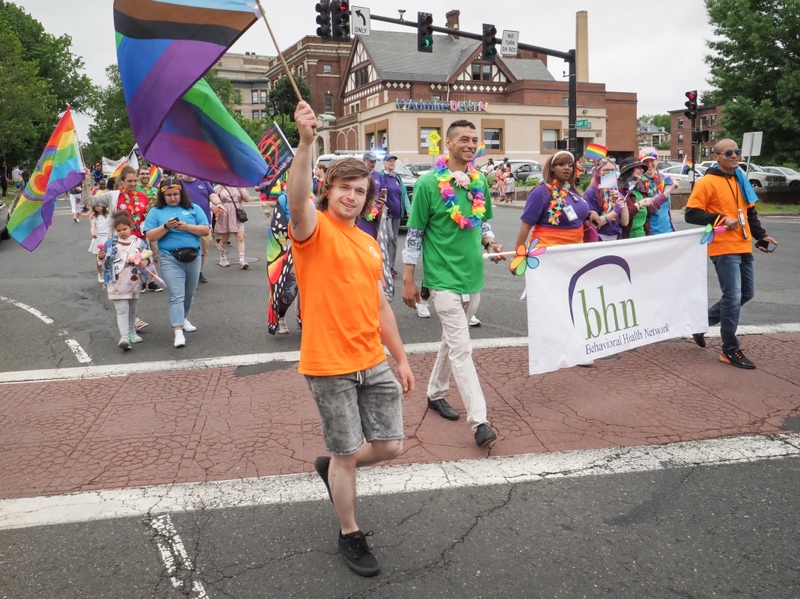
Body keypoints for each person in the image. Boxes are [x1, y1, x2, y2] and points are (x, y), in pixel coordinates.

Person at [289, 101, 414, 578]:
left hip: (372, 359)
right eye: (345, 188)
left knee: (390, 446)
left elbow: (380, 305)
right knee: (346, 454)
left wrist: (400, 358)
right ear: (329, 190)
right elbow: (297, 198)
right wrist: (305, 143)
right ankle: (349, 531)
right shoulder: (313, 230)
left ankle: (333, 468)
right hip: (328, 363)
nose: (353, 197)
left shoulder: (368, 241)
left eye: (361, 191)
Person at [402, 119, 504, 448]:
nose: (471, 144)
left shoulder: (479, 182)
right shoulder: (429, 184)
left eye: (475, 139)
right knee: (462, 348)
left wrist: (490, 243)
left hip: (473, 276)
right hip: (441, 279)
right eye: (464, 139)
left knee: (451, 339)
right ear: (448, 143)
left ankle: (435, 393)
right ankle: (480, 422)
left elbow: (482, 220)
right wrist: (408, 279)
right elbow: (415, 235)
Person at [685, 138, 778, 369]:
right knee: (733, 296)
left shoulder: (740, 178)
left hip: (744, 244)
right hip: (723, 247)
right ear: (716, 156)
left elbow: (750, 213)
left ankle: (701, 323)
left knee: (746, 293)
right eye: (728, 153)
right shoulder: (707, 182)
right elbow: (691, 214)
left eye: (737, 151)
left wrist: (761, 236)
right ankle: (730, 349)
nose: (735, 155)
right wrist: (720, 219)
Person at [143, 177, 210, 348]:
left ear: (182, 194)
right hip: (169, 258)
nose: (173, 198)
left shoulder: (194, 208)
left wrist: (187, 227)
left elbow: (205, 229)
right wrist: (166, 227)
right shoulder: (156, 212)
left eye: (176, 194)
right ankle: (178, 331)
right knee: (176, 295)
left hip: (193, 257)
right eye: (169, 195)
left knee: (189, 294)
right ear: (163, 196)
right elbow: (150, 236)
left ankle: (184, 318)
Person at [514, 151, 589, 248]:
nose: (567, 168)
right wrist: (518, 254)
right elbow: (526, 226)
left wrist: (590, 214)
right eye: (561, 164)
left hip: (574, 251)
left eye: (570, 165)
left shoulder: (571, 190)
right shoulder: (539, 193)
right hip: (548, 252)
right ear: (552, 168)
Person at [97, 212, 150, 350]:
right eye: (119, 230)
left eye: (124, 229)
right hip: (116, 283)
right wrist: (101, 257)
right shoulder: (111, 243)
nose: (122, 232)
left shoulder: (139, 242)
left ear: (131, 227)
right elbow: (103, 261)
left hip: (133, 281)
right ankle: (124, 336)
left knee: (132, 309)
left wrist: (145, 261)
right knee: (122, 310)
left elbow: (147, 257)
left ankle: (132, 332)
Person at [617, 157, 679, 239]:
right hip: (628, 239)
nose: (642, 170)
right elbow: (622, 218)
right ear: (629, 170)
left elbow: (652, 207)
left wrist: (670, 189)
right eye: (639, 168)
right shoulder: (619, 191)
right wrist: (640, 204)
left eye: (642, 168)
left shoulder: (640, 190)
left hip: (643, 236)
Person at [177, 173, 221, 283]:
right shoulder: (179, 184)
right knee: (186, 249)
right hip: (184, 224)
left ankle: (198, 272)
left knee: (203, 250)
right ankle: (185, 273)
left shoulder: (203, 182)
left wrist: (218, 203)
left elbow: (212, 194)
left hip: (203, 223)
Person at [582, 158, 630, 241]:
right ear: (598, 173)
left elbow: (625, 222)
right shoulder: (590, 193)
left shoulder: (614, 190)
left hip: (616, 236)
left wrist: (623, 202)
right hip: (599, 237)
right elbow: (594, 223)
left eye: (612, 170)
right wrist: (614, 212)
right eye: (606, 170)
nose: (610, 173)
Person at [381, 153, 411, 277]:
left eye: (393, 162)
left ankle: (391, 266)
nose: (392, 164)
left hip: (398, 213)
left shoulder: (397, 178)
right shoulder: (382, 177)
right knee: (389, 238)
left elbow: (403, 194)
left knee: (394, 241)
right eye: (389, 161)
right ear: (384, 163)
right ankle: (385, 266)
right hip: (387, 214)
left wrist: (408, 210)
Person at [639, 147, 676, 235]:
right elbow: (649, 209)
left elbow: (667, 207)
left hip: (668, 230)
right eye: (645, 162)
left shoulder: (666, 179)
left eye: (651, 161)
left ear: (657, 160)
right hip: (651, 232)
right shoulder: (639, 183)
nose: (649, 164)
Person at [213, 184, 251, 269]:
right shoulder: (219, 188)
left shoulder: (238, 186)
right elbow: (214, 202)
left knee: (240, 237)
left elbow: (247, 199)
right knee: (224, 239)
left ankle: (242, 260)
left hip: (237, 213)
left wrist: (241, 188)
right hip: (225, 213)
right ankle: (223, 258)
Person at [356, 150, 386, 239]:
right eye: (371, 161)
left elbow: (383, 192)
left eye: (375, 161)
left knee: (373, 238)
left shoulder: (378, 175)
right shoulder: (358, 174)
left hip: (375, 214)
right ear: (364, 160)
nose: (373, 164)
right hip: (360, 214)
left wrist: (381, 204)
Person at [88, 196, 111, 283]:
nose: (98, 207)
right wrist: (93, 233)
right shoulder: (93, 217)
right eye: (96, 206)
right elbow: (92, 227)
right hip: (98, 238)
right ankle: (100, 273)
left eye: (100, 205)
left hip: (107, 237)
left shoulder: (108, 215)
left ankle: (108, 273)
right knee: (98, 258)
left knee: (108, 257)